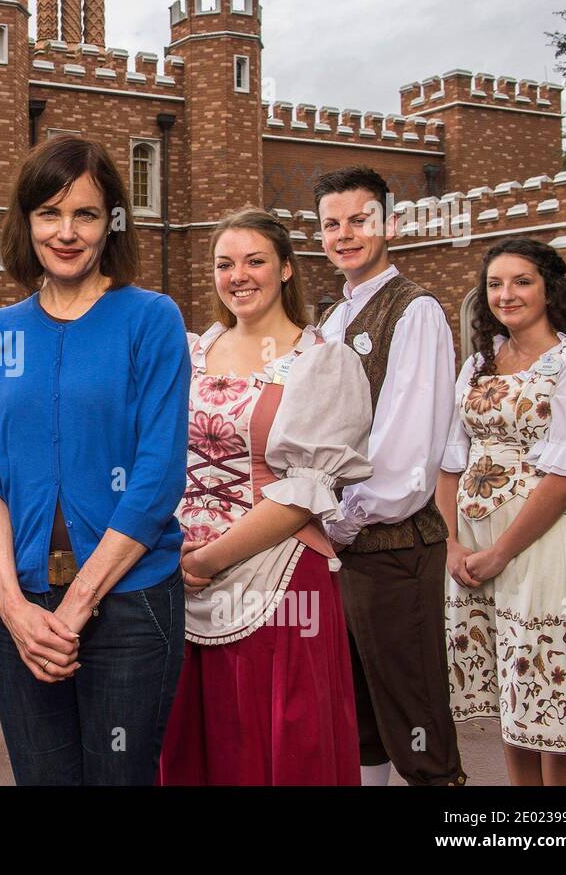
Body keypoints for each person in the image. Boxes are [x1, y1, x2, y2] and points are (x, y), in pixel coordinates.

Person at [0, 136, 188, 786]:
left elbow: (157, 479)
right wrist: (10, 603)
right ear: (25, 221)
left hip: (129, 607)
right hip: (21, 608)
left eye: (86, 214)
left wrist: (76, 607)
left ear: (112, 222)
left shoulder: (151, 320)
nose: (67, 232)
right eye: (49, 214)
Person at [158, 207, 372, 785]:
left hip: (273, 580)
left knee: (273, 744)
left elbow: (305, 492)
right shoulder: (188, 352)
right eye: (225, 264)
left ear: (285, 270)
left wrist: (205, 560)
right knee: (188, 745)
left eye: (255, 261)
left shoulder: (321, 361)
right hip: (176, 577)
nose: (239, 276)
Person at [440, 238, 566, 786]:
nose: (506, 294)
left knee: (557, 708)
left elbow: (565, 478)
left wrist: (500, 552)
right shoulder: (476, 364)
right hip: (473, 551)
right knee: (511, 707)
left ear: (550, 289)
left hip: (549, 549)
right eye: (495, 284)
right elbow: (450, 462)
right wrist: (452, 542)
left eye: (521, 281)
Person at [314, 166, 467, 786]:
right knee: (360, 717)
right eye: (331, 224)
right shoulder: (330, 319)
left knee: (416, 717)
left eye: (359, 220)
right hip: (339, 545)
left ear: (389, 224)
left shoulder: (416, 310)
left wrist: (337, 521)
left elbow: (407, 459)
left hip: (393, 546)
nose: (344, 234)